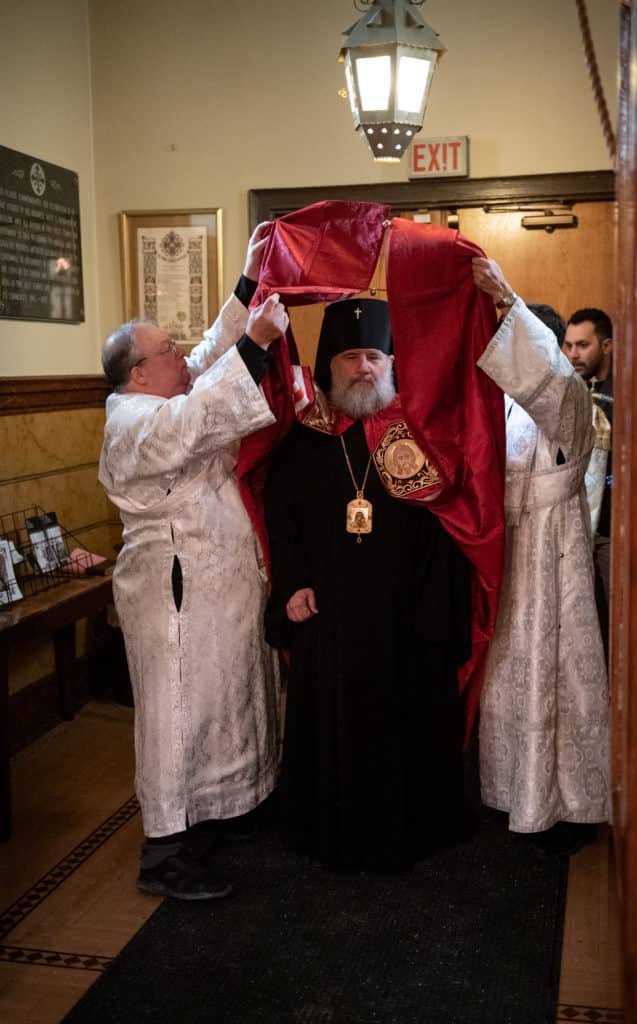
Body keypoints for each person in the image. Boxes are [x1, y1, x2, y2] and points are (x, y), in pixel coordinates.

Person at [99, 224, 289, 900]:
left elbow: (211, 360)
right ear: (138, 373)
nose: (183, 355)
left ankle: (224, 807)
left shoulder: (166, 391)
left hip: (214, 584)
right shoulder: (133, 420)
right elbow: (194, 421)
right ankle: (167, 851)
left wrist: (248, 283)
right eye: (167, 350)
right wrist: (259, 347)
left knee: (226, 700)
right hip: (174, 588)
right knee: (179, 715)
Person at [264, 298, 475, 871]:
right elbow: (280, 524)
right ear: (329, 367)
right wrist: (293, 585)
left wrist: (434, 611)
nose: (363, 368)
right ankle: (327, 828)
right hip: (328, 618)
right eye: (351, 357)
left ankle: (418, 828)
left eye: (374, 356)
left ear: (392, 362)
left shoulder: (419, 435)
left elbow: (447, 529)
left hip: (405, 618)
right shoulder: (302, 442)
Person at [473, 261, 610, 857]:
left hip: (555, 559)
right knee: (508, 680)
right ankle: (509, 793)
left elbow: (557, 391)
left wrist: (507, 301)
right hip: (510, 556)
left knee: (559, 678)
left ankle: (568, 803)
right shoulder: (502, 410)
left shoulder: (572, 402)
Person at [563, 308, 614, 651]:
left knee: (614, 619)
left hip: (613, 530)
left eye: (582, 345)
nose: (573, 355)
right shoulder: (563, 392)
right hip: (569, 530)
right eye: (567, 346)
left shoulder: (631, 392)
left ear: (607, 345)